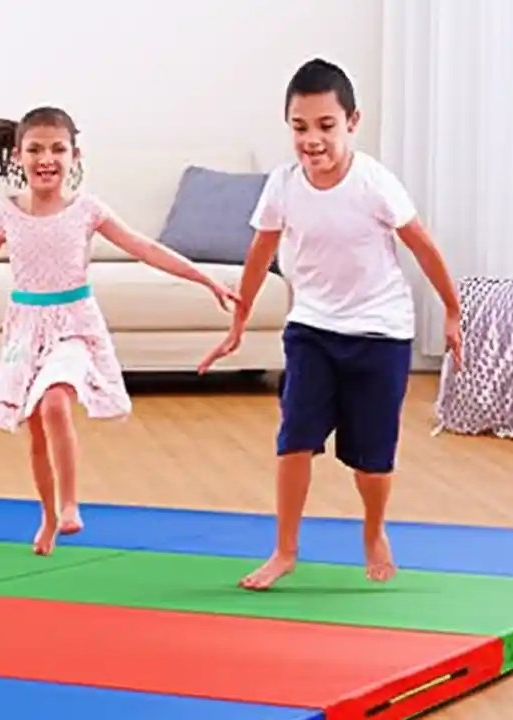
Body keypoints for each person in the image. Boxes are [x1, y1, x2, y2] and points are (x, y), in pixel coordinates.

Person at [0, 106, 240, 555]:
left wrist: (206, 279)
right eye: (36, 149)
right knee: (37, 428)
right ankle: (46, 518)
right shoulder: (5, 216)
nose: (47, 158)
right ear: (17, 156)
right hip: (26, 328)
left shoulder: (87, 211)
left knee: (56, 402)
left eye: (58, 148)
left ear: (75, 155)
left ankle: (70, 503)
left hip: (76, 323)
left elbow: (144, 247)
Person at [198, 59, 463, 590]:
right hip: (312, 329)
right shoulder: (283, 184)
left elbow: (424, 247)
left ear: (352, 122)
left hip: (380, 334)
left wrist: (452, 312)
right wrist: (238, 323)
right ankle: (285, 550)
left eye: (325, 126)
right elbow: (259, 253)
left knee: (371, 464)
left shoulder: (374, 184)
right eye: (300, 128)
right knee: (294, 440)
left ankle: (373, 530)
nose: (312, 140)